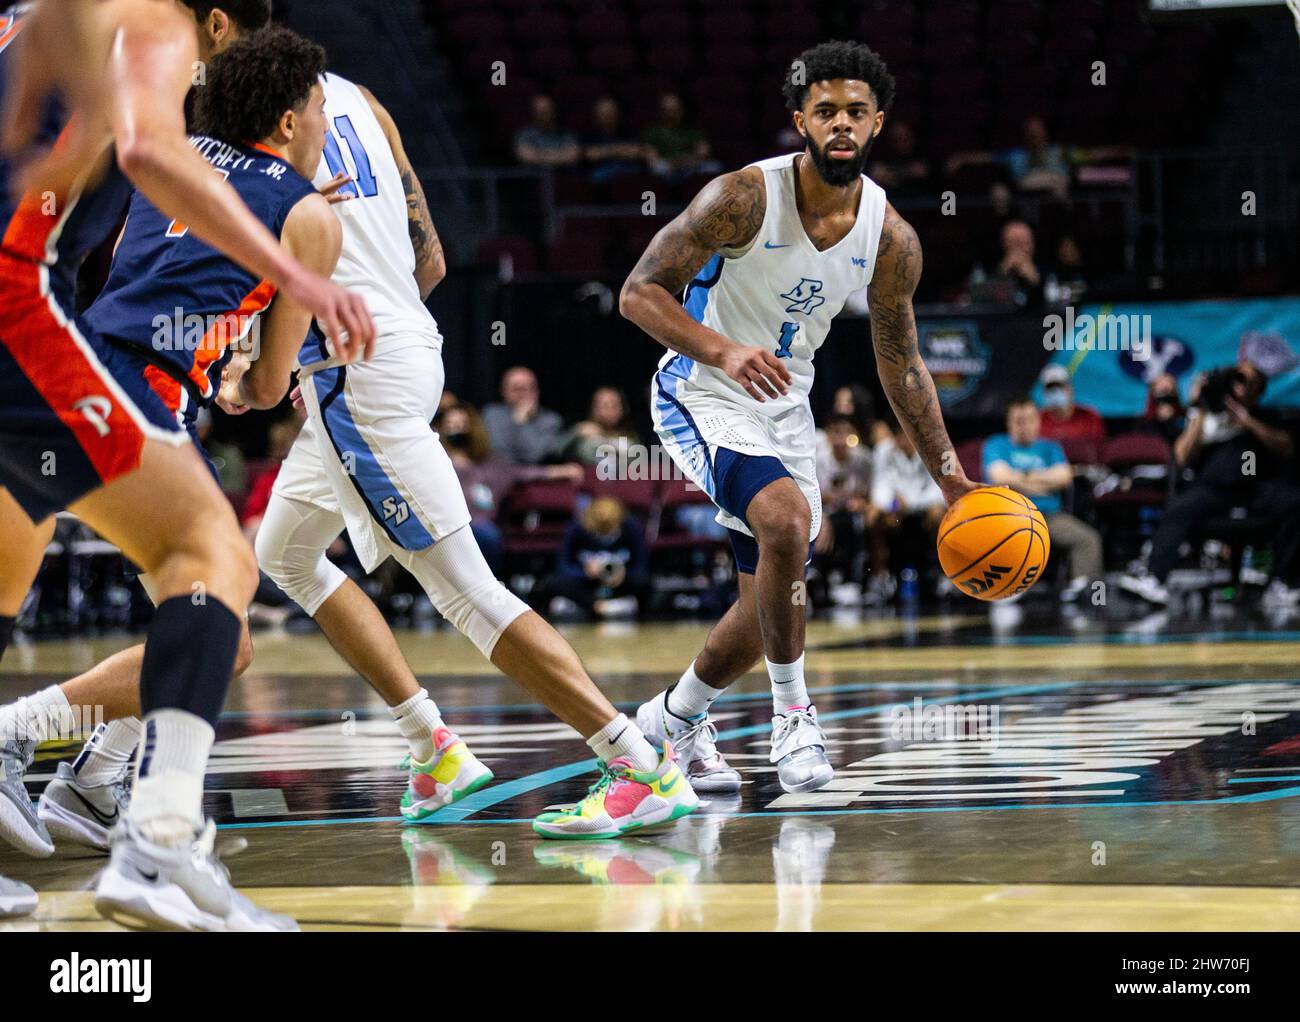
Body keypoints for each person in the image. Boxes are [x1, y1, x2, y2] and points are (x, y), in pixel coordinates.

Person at [247, 67, 697, 840]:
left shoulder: (253, 118)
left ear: (219, 27)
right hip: (409, 345)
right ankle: (432, 745)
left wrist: (285, 356)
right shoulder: (361, 94)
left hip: (355, 378)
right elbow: (432, 262)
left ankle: (638, 763)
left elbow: (267, 285)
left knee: (465, 593)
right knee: (283, 551)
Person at [0, 0, 372, 927]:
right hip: (54, 330)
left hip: (76, 339)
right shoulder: (149, 27)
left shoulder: (33, 19)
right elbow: (146, 157)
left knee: (8, 581)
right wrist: (297, 279)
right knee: (216, 575)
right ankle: (152, 841)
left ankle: (89, 787)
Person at [619, 40, 979, 797]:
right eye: (825, 112)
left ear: (878, 122)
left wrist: (950, 479)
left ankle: (673, 722)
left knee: (767, 601)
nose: (840, 124)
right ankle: (795, 720)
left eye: (855, 111)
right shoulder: (742, 197)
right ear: (800, 122)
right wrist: (722, 351)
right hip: (702, 389)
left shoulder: (890, 239)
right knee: (785, 523)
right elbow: (639, 293)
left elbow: (903, 363)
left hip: (786, 401)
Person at [1120, 361, 1300, 607]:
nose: (1240, 386)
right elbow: (1181, 457)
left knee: (1294, 501)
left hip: (1255, 492)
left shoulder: (1265, 417)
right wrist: (1201, 409)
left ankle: (1281, 582)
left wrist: (1248, 423)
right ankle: (1154, 579)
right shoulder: (1208, 418)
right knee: (1179, 506)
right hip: (1216, 492)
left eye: (1248, 381)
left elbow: (1287, 447)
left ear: (1258, 389)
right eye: (1237, 379)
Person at [983, 398, 1104, 603]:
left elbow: (1064, 477)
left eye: (1030, 420)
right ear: (1009, 423)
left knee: (1088, 539)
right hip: (1010, 517)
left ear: (1038, 421)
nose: (1025, 426)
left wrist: (1020, 479)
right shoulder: (996, 444)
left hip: (1048, 517)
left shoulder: (1050, 447)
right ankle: (1007, 586)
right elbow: (999, 477)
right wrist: (1044, 483)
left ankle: (1082, 590)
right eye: (1019, 421)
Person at [439, 401, 582, 573]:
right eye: (451, 425)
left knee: (489, 537)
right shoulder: (439, 460)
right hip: (449, 524)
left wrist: (561, 471)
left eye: (462, 425)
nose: (457, 430)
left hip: (483, 525)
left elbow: (521, 472)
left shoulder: (489, 462)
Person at [538, 497, 650, 621]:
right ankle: (597, 606)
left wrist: (623, 574)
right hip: (586, 584)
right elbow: (563, 566)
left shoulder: (631, 527)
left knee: (644, 581)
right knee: (551, 582)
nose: (605, 535)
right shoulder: (576, 528)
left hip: (619, 584)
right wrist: (585, 572)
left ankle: (608, 605)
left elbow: (641, 566)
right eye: (600, 530)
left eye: (609, 529)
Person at [870, 427, 946, 595]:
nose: (902, 439)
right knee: (874, 516)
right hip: (897, 513)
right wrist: (894, 505)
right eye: (898, 434)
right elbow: (879, 491)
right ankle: (882, 577)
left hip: (925, 510)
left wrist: (909, 503)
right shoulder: (884, 451)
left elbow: (940, 492)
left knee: (938, 513)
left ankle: (943, 574)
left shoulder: (934, 448)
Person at [814, 414, 875, 595]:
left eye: (845, 433)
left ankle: (855, 581)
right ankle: (818, 580)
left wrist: (862, 503)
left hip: (854, 515)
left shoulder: (864, 459)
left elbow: (872, 494)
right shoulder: (819, 460)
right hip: (827, 513)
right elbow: (815, 496)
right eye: (835, 433)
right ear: (828, 435)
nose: (840, 439)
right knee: (822, 526)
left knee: (856, 524)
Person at [482, 366, 566, 464]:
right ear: (504, 391)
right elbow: (498, 453)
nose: (521, 394)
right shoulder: (492, 414)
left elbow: (534, 456)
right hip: (500, 475)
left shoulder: (551, 420)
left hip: (536, 476)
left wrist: (522, 422)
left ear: (537, 391)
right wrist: (517, 420)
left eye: (526, 388)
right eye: (516, 389)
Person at [643, 92, 720, 182]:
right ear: (661, 111)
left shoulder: (694, 130)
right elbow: (652, 159)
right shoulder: (652, 132)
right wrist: (674, 163)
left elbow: (703, 154)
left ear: (682, 110)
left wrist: (685, 161)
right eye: (667, 110)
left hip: (691, 166)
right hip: (669, 168)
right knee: (659, 169)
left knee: (714, 167)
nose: (671, 114)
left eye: (675, 110)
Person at [559, 385, 641, 465]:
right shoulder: (583, 434)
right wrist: (575, 432)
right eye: (604, 405)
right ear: (593, 408)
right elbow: (555, 450)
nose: (610, 410)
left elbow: (635, 456)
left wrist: (603, 438)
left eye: (614, 405)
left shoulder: (630, 436)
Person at [1037, 364, 1106, 445]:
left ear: (1070, 389)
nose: (1055, 392)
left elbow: (1101, 449)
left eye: (1059, 387)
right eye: (1050, 389)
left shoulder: (1089, 416)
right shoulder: (1038, 420)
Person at [583, 96, 644, 183]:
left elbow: (636, 151)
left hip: (628, 170)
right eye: (603, 113)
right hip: (601, 173)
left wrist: (605, 152)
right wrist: (621, 150)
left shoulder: (629, 131)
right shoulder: (589, 134)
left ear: (618, 113)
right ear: (596, 115)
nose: (607, 115)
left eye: (611, 112)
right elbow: (590, 155)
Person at [513, 94, 580, 169]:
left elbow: (572, 157)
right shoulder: (524, 134)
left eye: (547, 109)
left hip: (563, 176)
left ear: (554, 111)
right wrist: (559, 154)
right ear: (533, 112)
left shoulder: (567, 134)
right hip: (534, 177)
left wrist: (540, 154)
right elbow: (526, 157)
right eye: (539, 110)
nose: (544, 113)